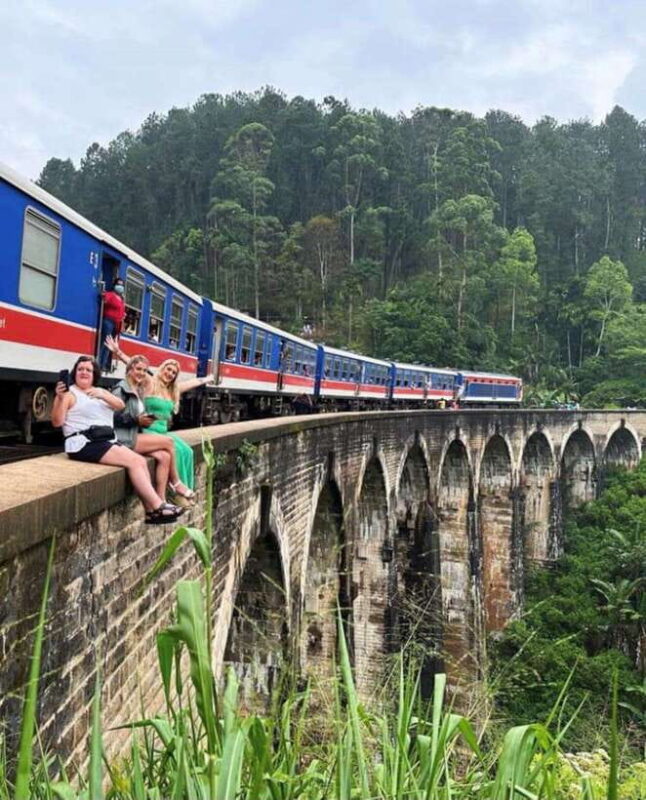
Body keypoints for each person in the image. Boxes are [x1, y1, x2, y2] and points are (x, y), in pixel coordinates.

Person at [51, 355, 184, 524]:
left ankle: (151, 512)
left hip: (105, 439)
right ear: (74, 373)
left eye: (88, 370)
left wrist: (102, 394)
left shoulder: (99, 392)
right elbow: (57, 422)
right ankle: (158, 505)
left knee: (140, 461)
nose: (84, 372)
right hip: (84, 442)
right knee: (134, 462)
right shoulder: (69, 394)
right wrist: (59, 398)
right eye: (80, 369)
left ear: (94, 374)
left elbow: (120, 405)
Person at [106, 336, 213, 491]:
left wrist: (207, 378)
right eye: (168, 369)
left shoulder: (173, 390)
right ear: (162, 369)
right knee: (176, 451)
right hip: (149, 430)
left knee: (187, 451)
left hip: (163, 432)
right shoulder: (150, 382)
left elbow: (192, 383)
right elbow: (136, 366)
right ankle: (175, 487)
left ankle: (185, 487)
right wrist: (118, 352)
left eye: (173, 372)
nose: (169, 373)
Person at [111, 354, 195, 503]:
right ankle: (176, 484)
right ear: (129, 370)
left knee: (166, 456)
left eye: (144, 371)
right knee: (169, 443)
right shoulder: (122, 389)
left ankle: (161, 501)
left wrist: (210, 378)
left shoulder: (138, 390)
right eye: (138, 370)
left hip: (141, 432)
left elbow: (191, 383)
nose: (141, 374)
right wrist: (118, 352)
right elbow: (113, 417)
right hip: (128, 437)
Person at [99, 278, 126, 371]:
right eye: (118, 284)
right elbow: (104, 298)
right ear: (114, 285)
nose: (120, 286)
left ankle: (105, 364)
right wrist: (103, 295)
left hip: (116, 324)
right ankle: (100, 365)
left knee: (111, 345)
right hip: (108, 321)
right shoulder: (111, 295)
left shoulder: (121, 299)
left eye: (122, 285)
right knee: (106, 343)